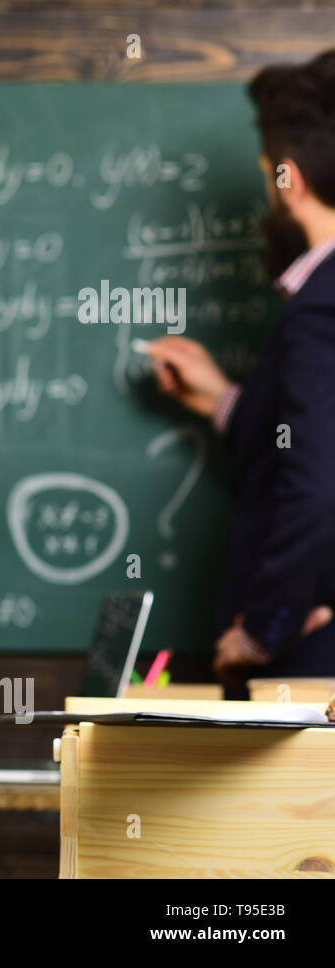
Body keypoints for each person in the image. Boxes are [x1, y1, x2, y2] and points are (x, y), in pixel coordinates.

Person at [148, 50, 335, 694]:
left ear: (291, 179)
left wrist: (263, 629)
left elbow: (319, 489)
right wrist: (228, 403)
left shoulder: (321, 309)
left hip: (312, 671)